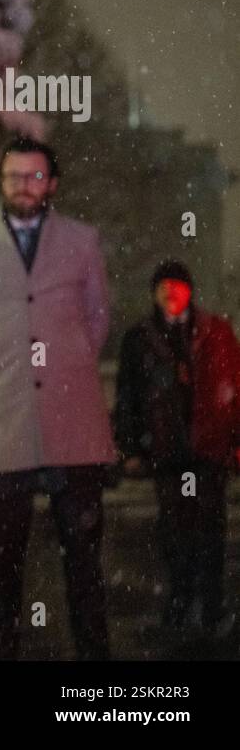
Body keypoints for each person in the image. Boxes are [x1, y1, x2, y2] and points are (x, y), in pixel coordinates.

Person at [0, 136, 116, 660]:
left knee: (84, 564)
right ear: (1, 181)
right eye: (14, 176)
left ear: (53, 183)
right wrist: (5, 371)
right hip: (5, 424)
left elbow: (97, 319)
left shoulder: (83, 241)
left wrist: (65, 364)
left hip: (75, 423)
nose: (24, 186)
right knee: (2, 565)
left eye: (34, 176)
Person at [115, 258, 240, 637]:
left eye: (178, 287)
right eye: (164, 287)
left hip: (208, 450)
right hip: (168, 452)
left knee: (211, 531)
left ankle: (212, 606)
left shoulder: (215, 332)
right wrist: (131, 448)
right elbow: (128, 398)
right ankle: (181, 601)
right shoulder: (140, 339)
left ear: (190, 291)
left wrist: (234, 443)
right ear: (154, 293)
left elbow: (234, 390)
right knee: (174, 531)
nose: (171, 294)